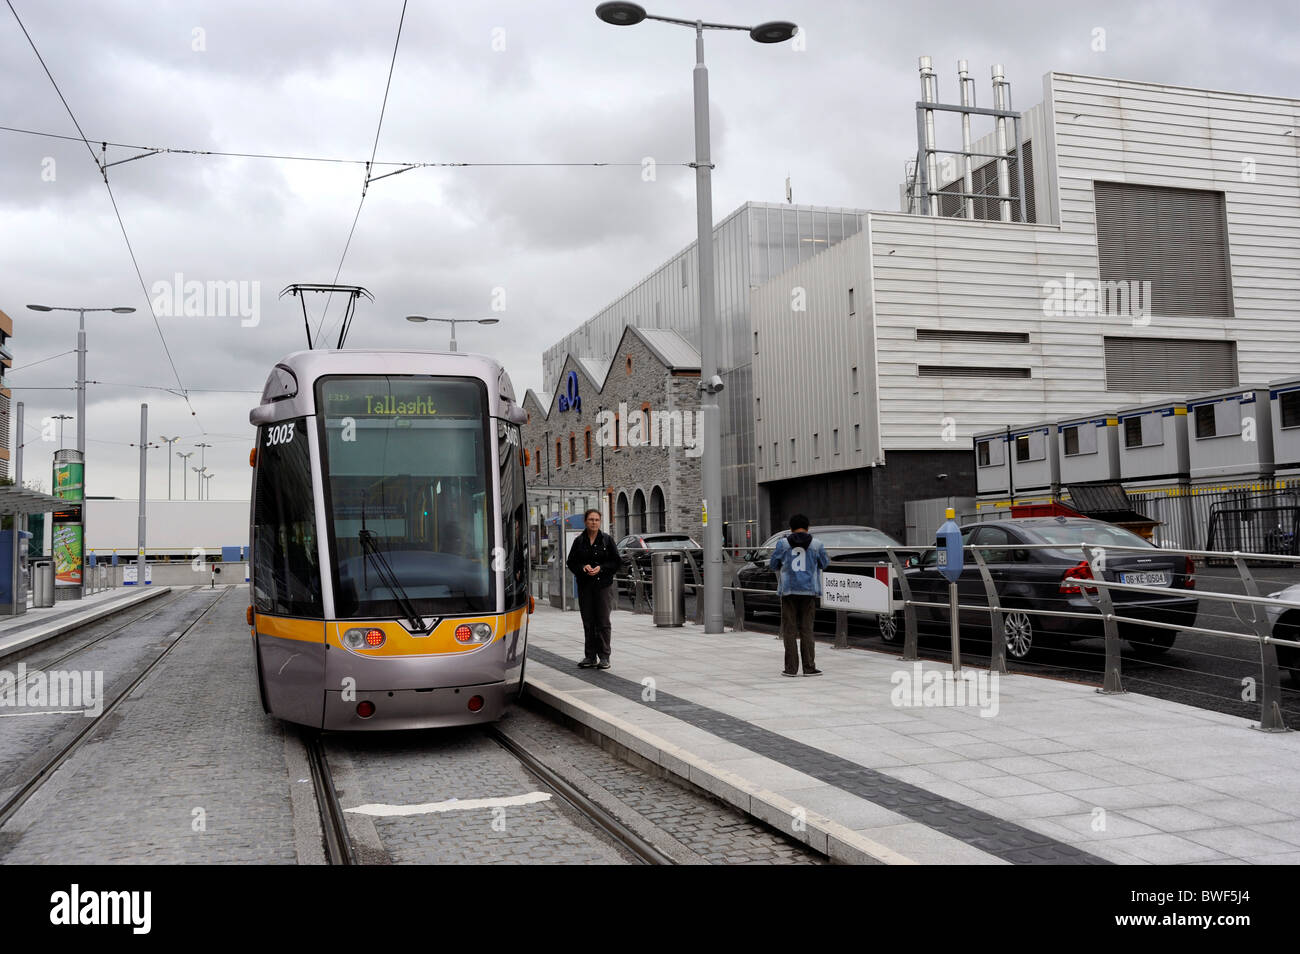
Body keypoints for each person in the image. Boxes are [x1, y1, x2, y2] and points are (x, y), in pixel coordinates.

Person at [769, 513, 829, 677]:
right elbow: (824, 563)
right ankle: (809, 667)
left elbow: (773, 564)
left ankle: (791, 668)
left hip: (788, 591)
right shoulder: (817, 544)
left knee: (789, 630)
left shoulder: (782, 544)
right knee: (807, 629)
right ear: (808, 527)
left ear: (791, 528)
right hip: (808, 591)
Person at [566, 509, 621, 670]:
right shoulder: (579, 541)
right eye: (591, 519)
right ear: (585, 521)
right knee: (588, 621)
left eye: (597, 520)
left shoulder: (607, 540)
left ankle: (604, 656)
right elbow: (571, 562)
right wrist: (583, 567)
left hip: (603, 586)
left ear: (600, 522)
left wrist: (601, 568)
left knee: (603, 621)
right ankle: (590, 656)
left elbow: (616, 562)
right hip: (585, 586)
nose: (594, 522)